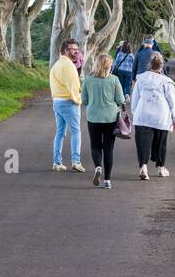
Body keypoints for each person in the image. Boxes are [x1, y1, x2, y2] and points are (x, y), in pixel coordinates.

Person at [130, 52, 175, 178]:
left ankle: (143, 167)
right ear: (161, 66)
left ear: (149, 65)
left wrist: (135, 113)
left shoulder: (140, 78)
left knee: (143, 143)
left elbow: (135, 99)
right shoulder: (167, 82)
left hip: (143, 115)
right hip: (161, 117)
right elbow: (172, 102)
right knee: (160, 143)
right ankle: (161, 168)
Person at [82, 53, 126, 190]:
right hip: (110, 118)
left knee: (95, 146)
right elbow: (121, 100)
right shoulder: (114, 80)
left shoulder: (88, 79)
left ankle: (98, 167)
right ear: (109, 65)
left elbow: (84, 100)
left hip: (93, 117)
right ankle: (107, 180)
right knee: (108, 149)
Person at [49, 39, 85, 173]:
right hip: (68, 102)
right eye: (72, 49)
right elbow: (74, 86)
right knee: (76, 132)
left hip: (57, 101)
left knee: (60, 132)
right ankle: (76, 161)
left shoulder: (56, 65)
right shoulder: (69, 66)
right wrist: (78, 101)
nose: (75, 51)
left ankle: (57, 162)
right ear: (65, 50)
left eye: (77, 49)